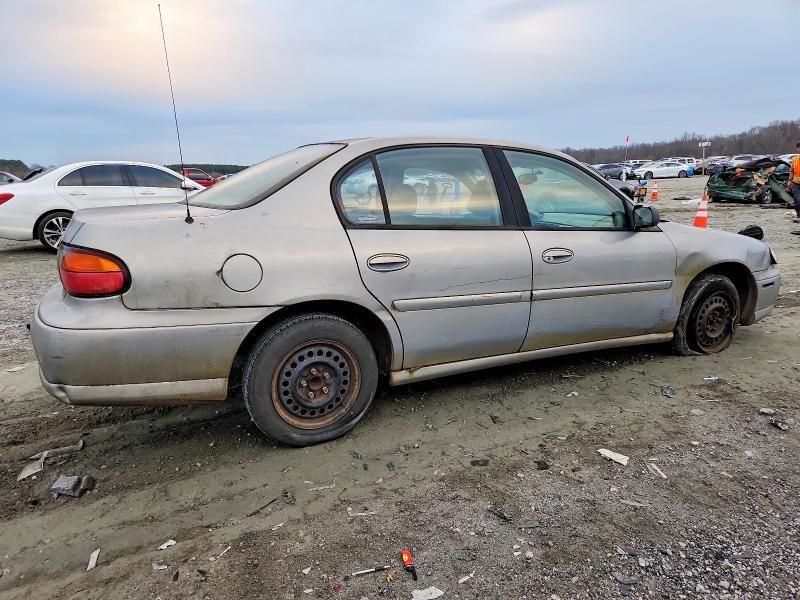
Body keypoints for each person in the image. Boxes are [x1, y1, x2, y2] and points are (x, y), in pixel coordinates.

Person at [790, 142, 800, 223]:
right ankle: (798, 215)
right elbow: (792, 171)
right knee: (797, 200)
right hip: (796, 183)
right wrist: (789, 181)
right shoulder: (794, 159)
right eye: (799, 148)